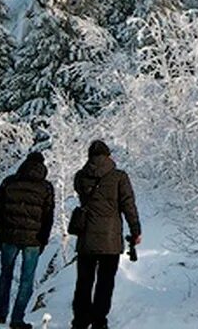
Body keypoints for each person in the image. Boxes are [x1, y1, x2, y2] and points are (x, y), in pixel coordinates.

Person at [72, 139, 140, 329]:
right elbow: (128, 205)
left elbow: (81, 194)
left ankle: (80, 321)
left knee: (84, 282)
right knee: (105, 282)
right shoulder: (119, 177)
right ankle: (99, 322)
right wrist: (136, 230)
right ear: (108, 155)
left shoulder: (80, 176)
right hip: (110, 238)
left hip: (86, 238)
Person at [0, 150, 54, 329]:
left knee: (5, 275)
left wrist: (2, 234)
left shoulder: (9, 182)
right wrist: (43, 240)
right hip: (33, 241)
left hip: (9, 237)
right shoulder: (46, 187)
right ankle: (17, 319)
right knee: (26, 280)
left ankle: (1, 313)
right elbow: (48, 217)